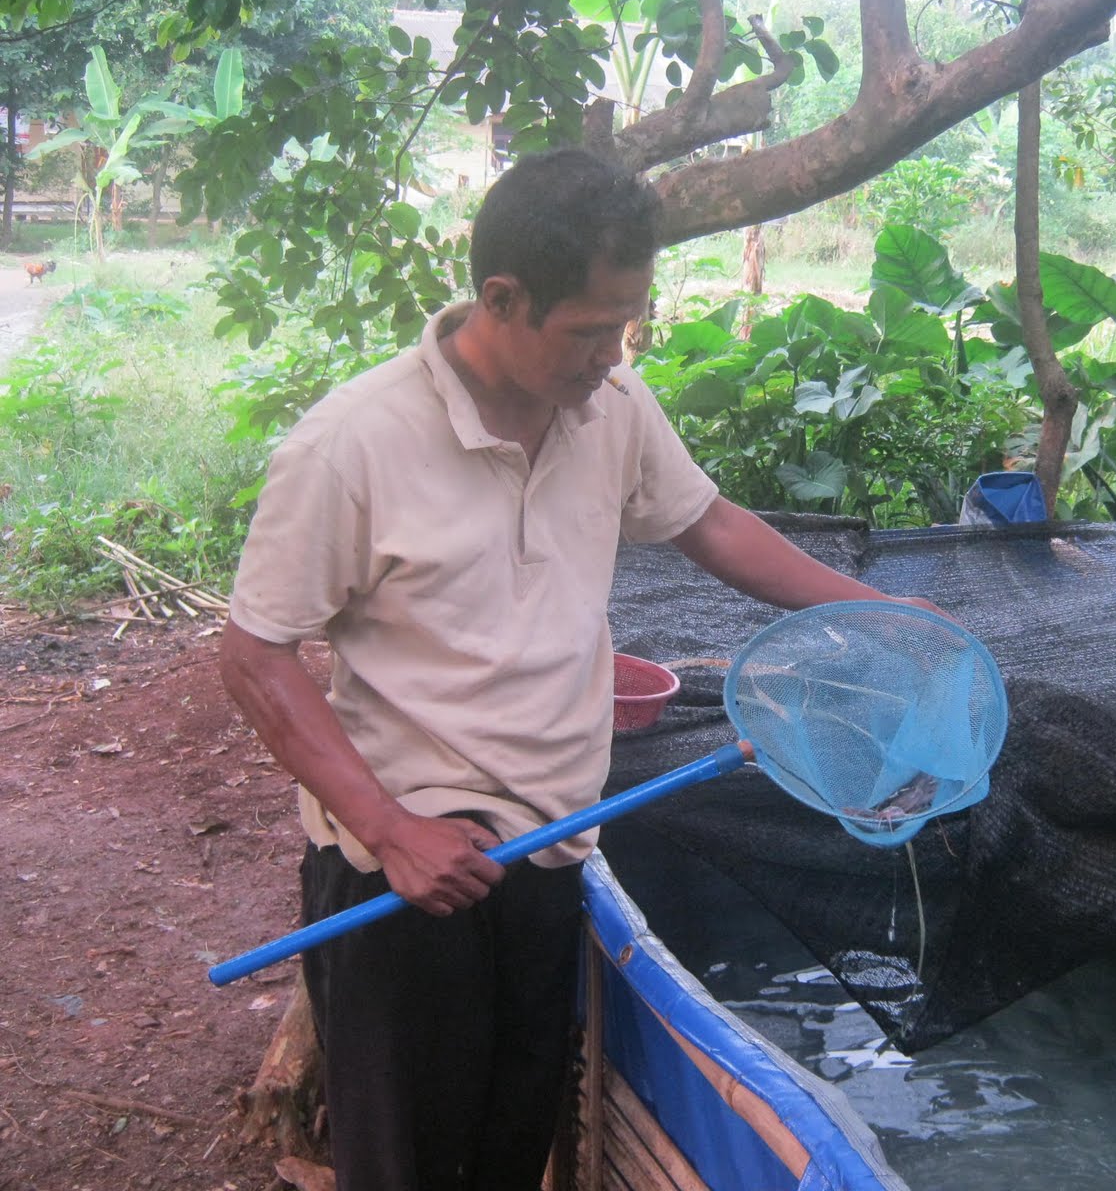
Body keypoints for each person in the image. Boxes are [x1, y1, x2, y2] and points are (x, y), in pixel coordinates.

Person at [218, 148, 940, 1191]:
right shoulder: (352, 447)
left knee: (510, 1149)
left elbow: (714, 527)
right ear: (501, 297)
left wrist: (882, 613)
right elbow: (254, 658)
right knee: (409, 1167)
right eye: (590, 330)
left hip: (552, 846)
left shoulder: (613, 410)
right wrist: (390, 831)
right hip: (409, 865)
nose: (612, 354)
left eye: (627, 324)